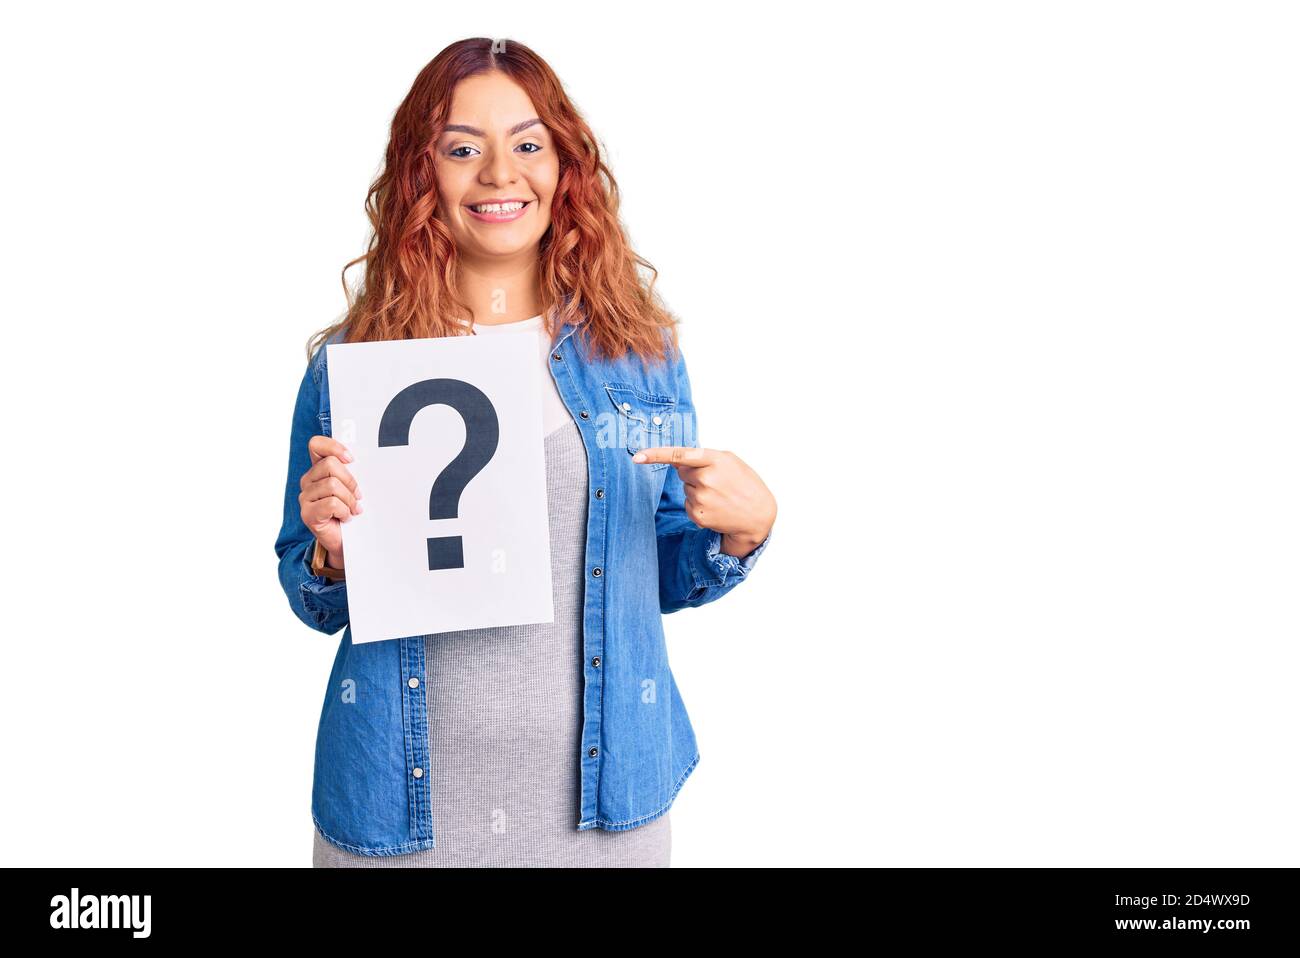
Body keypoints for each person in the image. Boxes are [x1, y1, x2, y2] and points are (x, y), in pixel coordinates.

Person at [273, 37, 777, 867]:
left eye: (529, 144)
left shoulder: (641, 357)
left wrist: (742, 532)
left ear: (565, 169)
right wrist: (331, 558)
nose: (499, 173)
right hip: (398, 813)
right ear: (420, 176)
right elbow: (309, 591)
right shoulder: (353, 367)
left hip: (602, 811)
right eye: (462, 148)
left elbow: (660, 574)